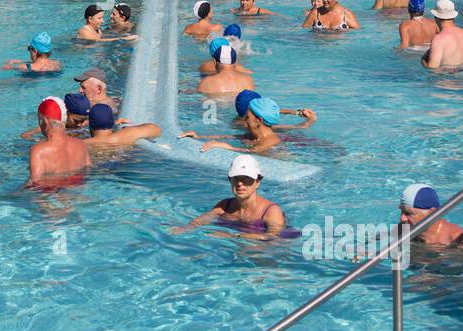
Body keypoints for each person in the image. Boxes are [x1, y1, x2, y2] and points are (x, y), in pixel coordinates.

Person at [171, 155, 287, 238]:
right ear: (230, 180)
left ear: (257, 182)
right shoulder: (225, 205)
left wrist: (232, 236)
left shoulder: (271, 211)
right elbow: (199, 222)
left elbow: (273, 238)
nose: (240, 183)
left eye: (247, 179)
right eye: (236, 178)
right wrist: (184, 229)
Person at [181, 96, 315, 154]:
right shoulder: (252, 135)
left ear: (259, 120)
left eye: (247, 117)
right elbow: (229, 137)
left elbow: (252, 151)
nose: (244, 120)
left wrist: (227, 147)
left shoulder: (270, 141)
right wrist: (198, 137)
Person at [29, 96, 91, 183]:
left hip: (52, 190)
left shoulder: (39, 151)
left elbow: (35, 183)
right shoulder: (82, 145)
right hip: (78, 189)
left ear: (44, 121)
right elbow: (88, 174)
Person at [421, 0, 463, 69]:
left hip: (447, 75)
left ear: (436, 17)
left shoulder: (439, 39)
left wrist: (423, 61)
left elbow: (432, 69)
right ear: (453, 16)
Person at [83, 103, 161, 149]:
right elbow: (156, 130)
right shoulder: (127, 134)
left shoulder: (82, 144)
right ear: (111, 122)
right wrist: (128, 128)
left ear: (90, 124)